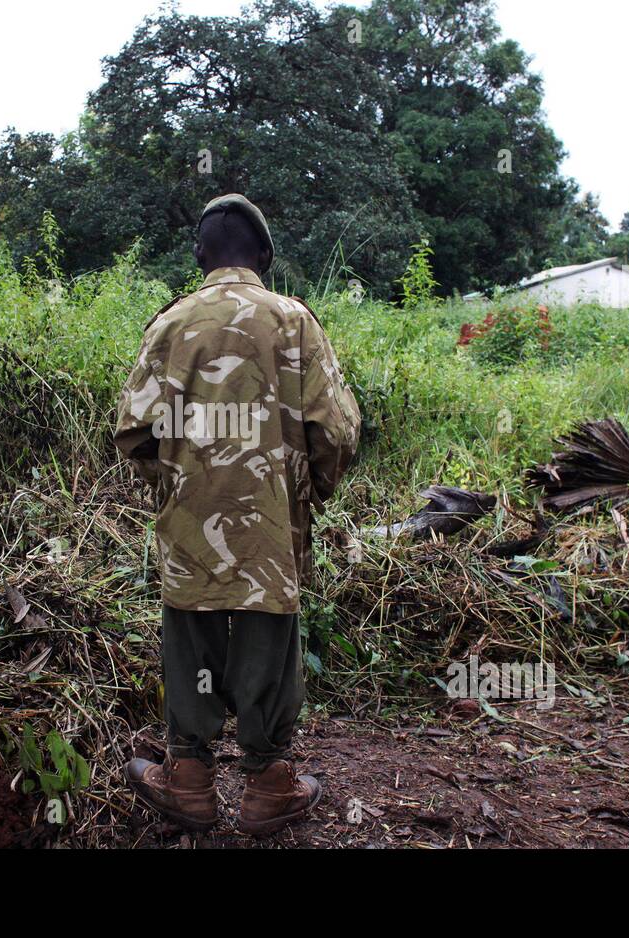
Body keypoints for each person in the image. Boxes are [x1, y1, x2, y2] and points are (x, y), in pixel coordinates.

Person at [115, 193, 361, 835]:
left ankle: (189, 780)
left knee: (191, 630)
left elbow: (134, 432)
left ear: (199, 253)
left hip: (192, 523)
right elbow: (335, 430)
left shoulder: (170, 325)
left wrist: (177, 486)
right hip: (272, 523)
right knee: (266, 631)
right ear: (266, 256)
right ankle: (268, 785)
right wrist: (305, 490)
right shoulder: (293, 321)